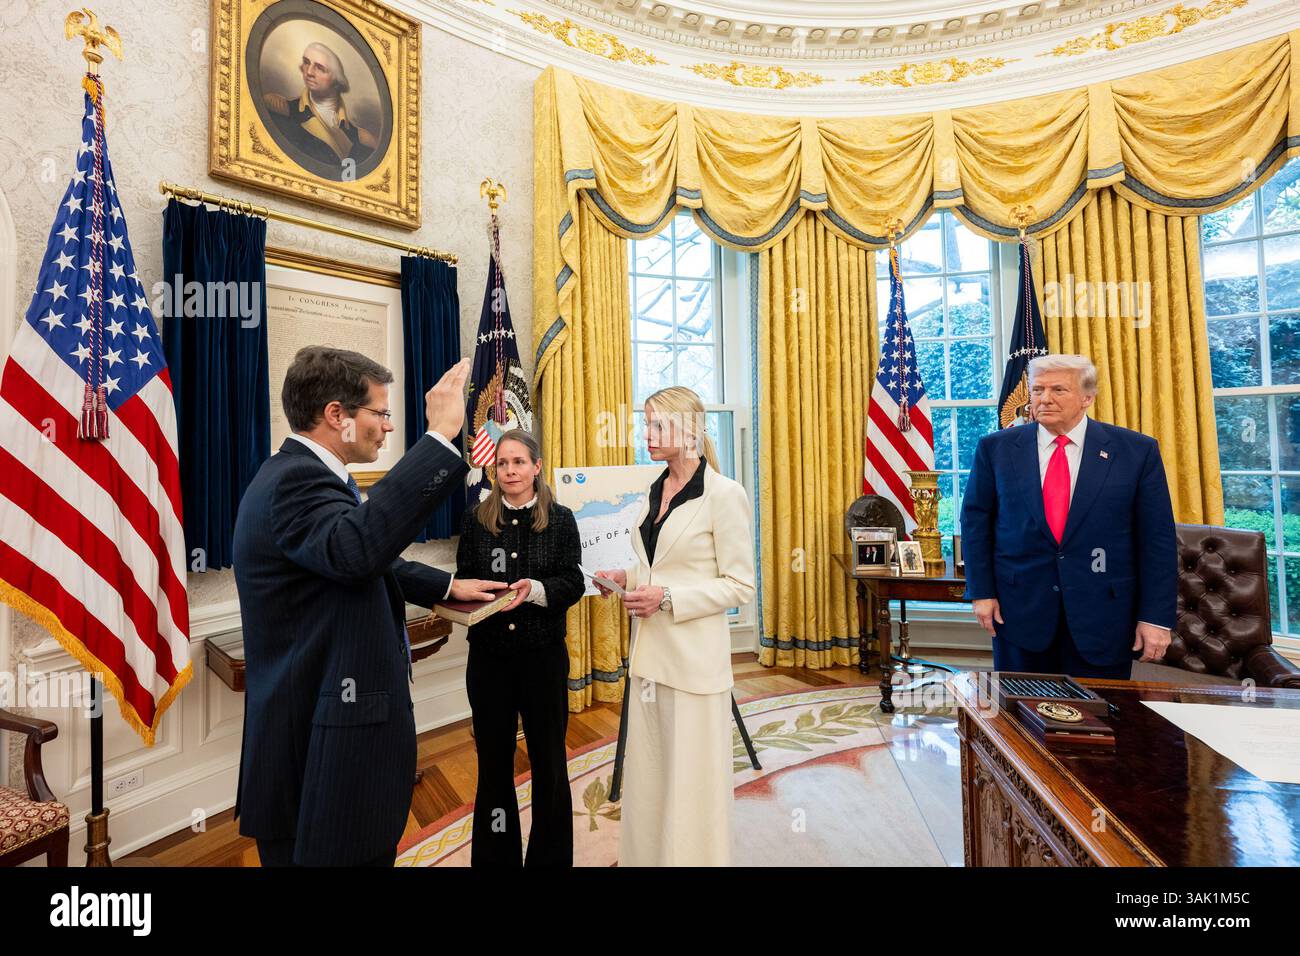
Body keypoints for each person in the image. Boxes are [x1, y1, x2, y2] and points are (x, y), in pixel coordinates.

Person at [233, 347, 507, 867]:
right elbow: (355, 551)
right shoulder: (296, 480)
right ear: (337, 415)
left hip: (313, 726)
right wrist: (438, 437)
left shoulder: (304, 474)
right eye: (380, 413)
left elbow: (341, 556)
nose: (386, 426)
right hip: (324, 738)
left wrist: (445, 585)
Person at [595, 386, 756, 866]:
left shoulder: (725, 496)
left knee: (692, 788)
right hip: (647, 658)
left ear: (689, 432)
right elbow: (660, 564)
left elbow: (739, 586)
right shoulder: (652, 489)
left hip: (693, 666)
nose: (647, 434)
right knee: (650, 780)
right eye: (645, 424)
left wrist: (667, 598)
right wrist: (627, 578)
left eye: (657, 425)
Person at [960, 354, 1176, 679]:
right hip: (1019, 613)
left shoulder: (1136, 451)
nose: (1044, 399)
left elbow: (1157, 539)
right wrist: (982, 592)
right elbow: (976, 524)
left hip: (1104, 617)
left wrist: (1155, 618)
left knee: (1098, 722)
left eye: (1058, 390)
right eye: (1038, 390)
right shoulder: (996, 449)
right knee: (1021, 720)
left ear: (1087, 397)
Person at [455, 429, 585, 867]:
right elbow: (465, 578)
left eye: (518, 462)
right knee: (493, 766)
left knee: (549, 764)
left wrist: (536, 590)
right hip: (489, 662)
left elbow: (573, 582)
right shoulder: (476, 518)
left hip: (542, 659)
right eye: (502, 464)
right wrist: (471, 592)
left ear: (536, 467)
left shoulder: (562, 519)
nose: (509, 471)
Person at [263, 41, 377, 175]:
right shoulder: (279, 109)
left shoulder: (363, 139)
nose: (309, 72)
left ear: (336, 80)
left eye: (320, 68)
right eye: (306, 62)